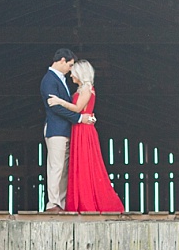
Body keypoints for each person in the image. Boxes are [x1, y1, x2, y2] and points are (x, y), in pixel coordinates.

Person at [48, 60, 124, 213]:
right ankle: (80, 200)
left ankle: (87, 201)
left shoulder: (87, 89)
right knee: (79, 165)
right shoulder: (82, 89)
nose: (71, 75)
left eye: (73, 72)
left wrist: (58, 102)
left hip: (83, 130)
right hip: (79, 128)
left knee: (85, 164)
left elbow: (77, 108)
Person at [40, 48, 92, 212]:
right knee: (56, 167)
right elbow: (53, 106)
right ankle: (53, 203)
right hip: (56, 130)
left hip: (65, 130)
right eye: (70, 65)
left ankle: (60, 203)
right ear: (62, 60)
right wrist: (77, 119)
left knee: (63, 169)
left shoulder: (59, 79)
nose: (71, 69)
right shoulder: (49, 80)